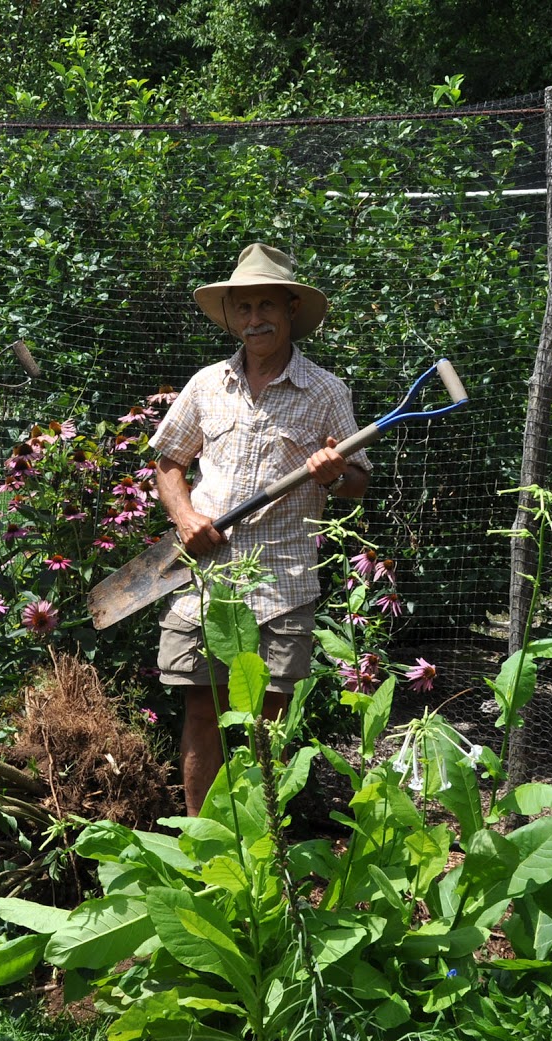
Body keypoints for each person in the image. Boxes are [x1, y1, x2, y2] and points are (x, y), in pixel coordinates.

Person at [151, 243, 371, 815]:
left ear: (290, 310)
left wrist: (332, 472)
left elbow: (359, 484)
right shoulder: (206, 385)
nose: (255, 320)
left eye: (266, 306)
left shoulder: (325, 391)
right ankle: (204, 839)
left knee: (264, 724)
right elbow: (168, 463)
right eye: (243, 308)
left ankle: (257, 843)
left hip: (282, 585)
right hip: (205, 580)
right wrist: (185, 517)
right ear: (231, 317)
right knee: (202, 711)